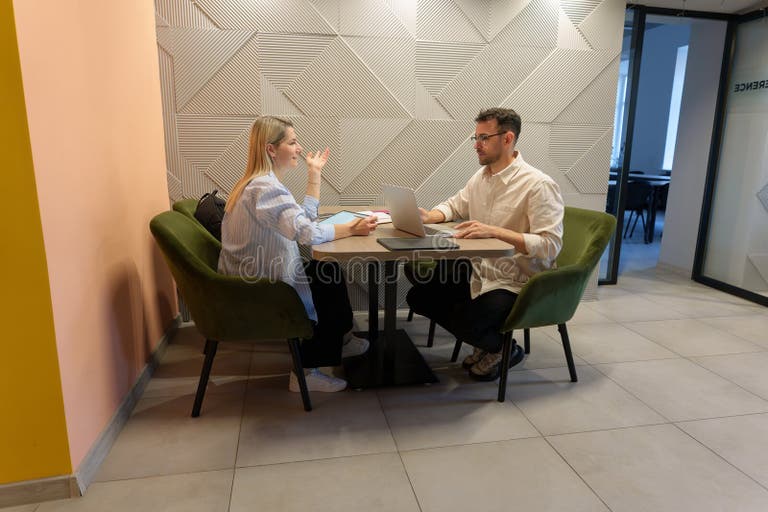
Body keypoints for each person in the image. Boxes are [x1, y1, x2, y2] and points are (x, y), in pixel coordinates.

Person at [218, 116, 378, 392]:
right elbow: (307, 234)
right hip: (259, 288)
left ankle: (342, 339)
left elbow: (303, 222)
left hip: (255, 276)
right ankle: (306, 371)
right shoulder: (265, 189)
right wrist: (351, 229)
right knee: (326, 283)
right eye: (292, 143)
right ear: (271, 149)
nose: (299, 149)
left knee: (327, 271)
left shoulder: (260, 183)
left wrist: (314, 175)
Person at [407, 108, 564, 381]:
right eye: (476, 137)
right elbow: (456, 205)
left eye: (484, 137)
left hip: (517, 279)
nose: (477, 145)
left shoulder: (538, 185)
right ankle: (488, 342)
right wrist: (430, 215)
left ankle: (503, 348)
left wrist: (495, 232)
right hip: (480, 267)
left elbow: (550, 245)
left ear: (507, 138)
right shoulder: (481, 177)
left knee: (470, 319)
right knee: (420, 297)